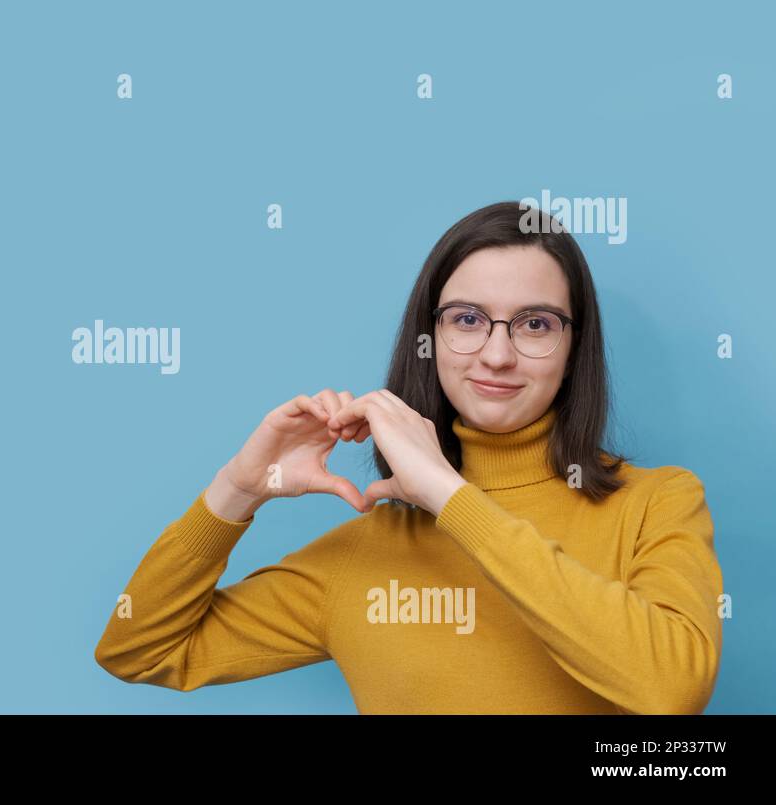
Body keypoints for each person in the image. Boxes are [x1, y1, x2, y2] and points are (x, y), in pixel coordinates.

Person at [93, 200, 723, 714]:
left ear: (573, 346)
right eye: (468, 319)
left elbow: (671, 691)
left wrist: (451, 497)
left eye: (535, 324)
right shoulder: (364, 555)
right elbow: (139, 648)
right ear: (430, 337)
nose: (498, 355)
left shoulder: (657, 503)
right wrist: (236, 489)